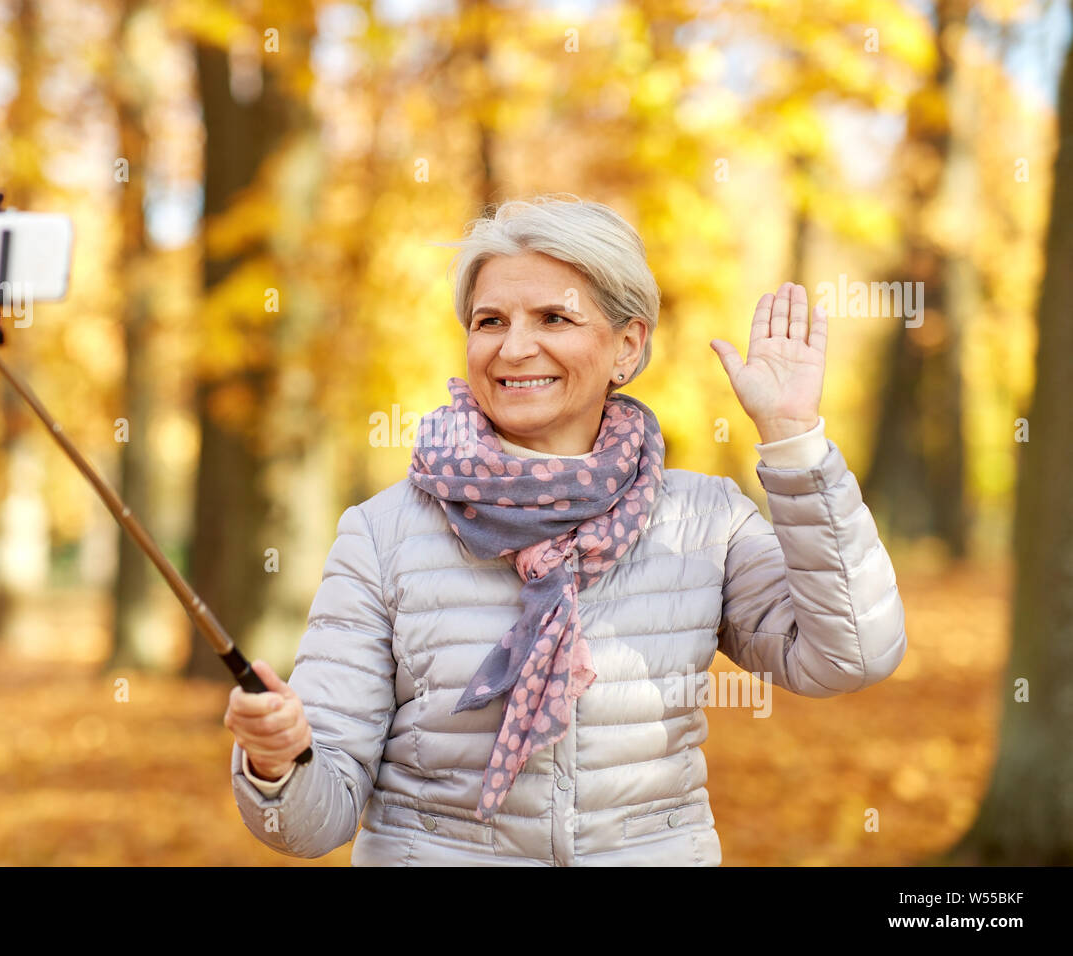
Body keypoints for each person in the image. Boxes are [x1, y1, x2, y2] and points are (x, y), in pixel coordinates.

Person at [224, 194, 907, 865]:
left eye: (554, 317)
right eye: (490, 321)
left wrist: (793, 442)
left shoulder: (706, 522)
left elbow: (850, 655)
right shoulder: (383, 534)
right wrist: (280, 764)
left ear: (627, 345)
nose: (516, 347)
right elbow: (312, 824)